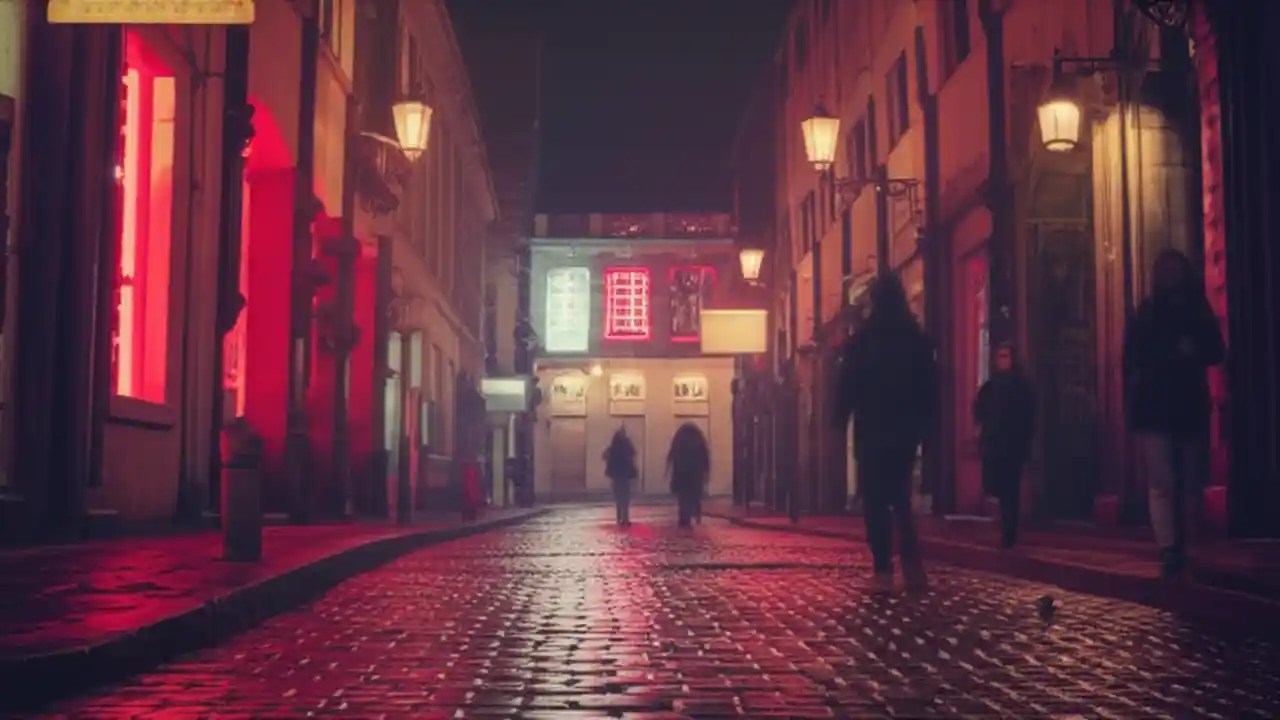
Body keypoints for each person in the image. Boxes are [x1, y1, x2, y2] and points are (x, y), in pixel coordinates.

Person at [1123, 248, 1225, 579]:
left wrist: (1194, 351)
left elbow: (1216, 349)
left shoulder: (1196, 311)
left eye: (1175, 270)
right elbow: (1132, 359)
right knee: (1163, 480)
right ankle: (1169, 546)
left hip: (1186, 404)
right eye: (1164, 270)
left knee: (1188, 478)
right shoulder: (1147, 312)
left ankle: (1181, 541)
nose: (1170, 276)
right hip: (1156, 407)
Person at [836, 273, 938, 591]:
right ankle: (911, 563)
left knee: (876, 500)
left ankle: (882, 567)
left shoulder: (864, 341)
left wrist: (839, 418)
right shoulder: (915, 339)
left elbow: (847, 385)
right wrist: (926, 422)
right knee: (901, 497)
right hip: (905, 430)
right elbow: (929, 385)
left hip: (872, 430)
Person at [974, 343, 1036, 549]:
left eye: (1005, 356)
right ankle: (1007, 525)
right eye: (999, 356)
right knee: (997, 486)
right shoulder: (992, 385)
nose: (1002, 360)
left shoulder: (1021, 386)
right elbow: (979, 409)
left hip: (1012, 444)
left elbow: (1028, 416)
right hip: (994, 444)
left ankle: (1010, 531)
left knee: (1011, 489)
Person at [667, 423, 710, 528]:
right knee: (692, 496)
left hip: (682, 476)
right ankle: (692, 514)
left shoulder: (679, 442)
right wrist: (705, 473)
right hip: (694, 476)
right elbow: (705, 460)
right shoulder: (698, 442)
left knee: (683, 499)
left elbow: (673, 460)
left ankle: (684, 518)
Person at [603, 427, 638, 527]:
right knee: (625, 498)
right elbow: (633, 453)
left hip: (616, 475)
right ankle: (625, 519)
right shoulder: (626, 444)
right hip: (625, 475)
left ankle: (619, 518)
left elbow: (605, 455)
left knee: (619, 497)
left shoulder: (614, 446)